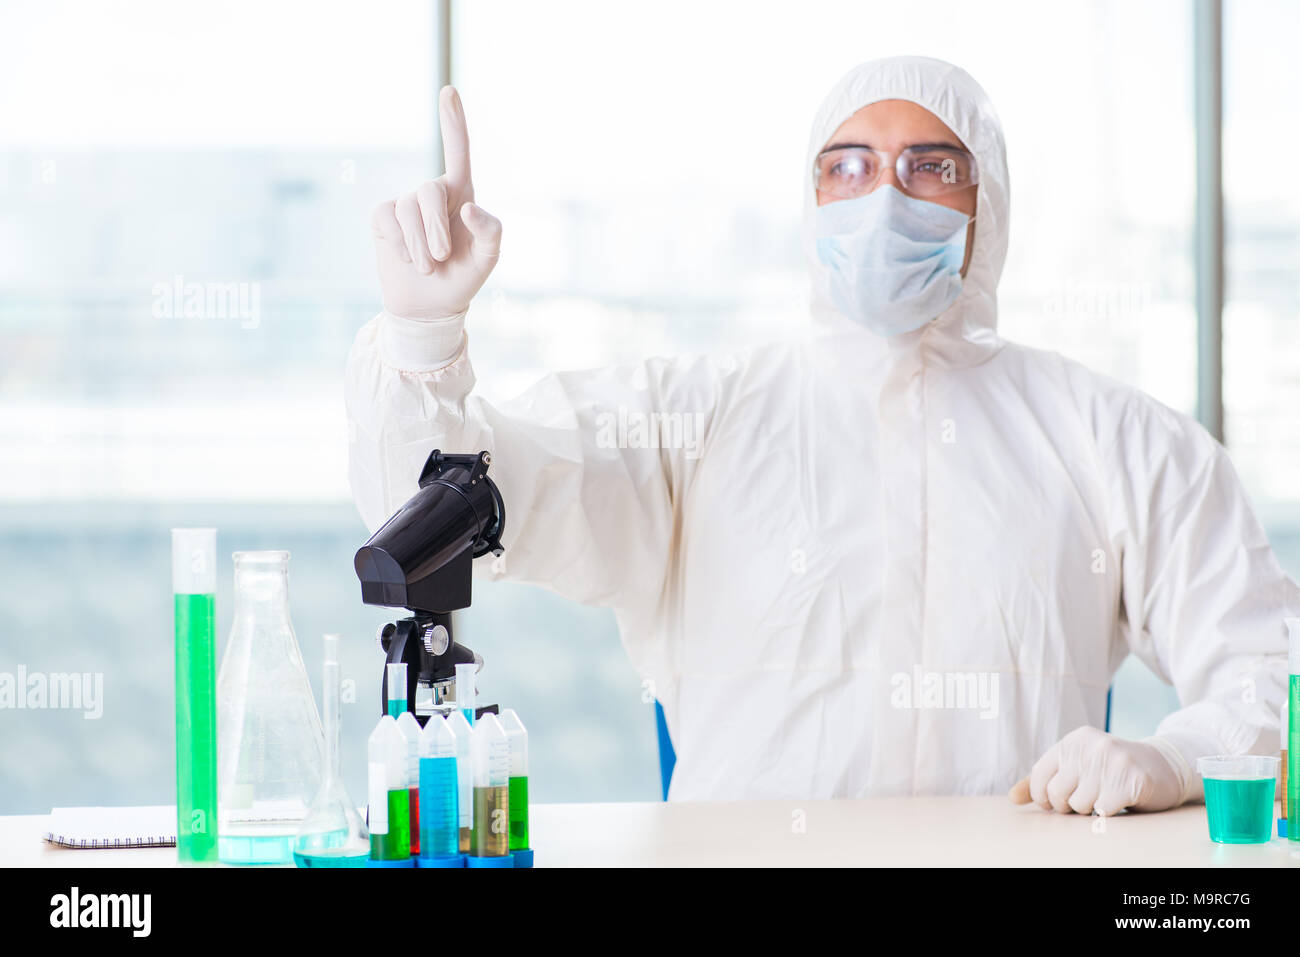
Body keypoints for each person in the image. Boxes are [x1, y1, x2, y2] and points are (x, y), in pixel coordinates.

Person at [345, 56, 1297, 813]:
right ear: (811, 204)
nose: (885, 198)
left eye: (931, 165)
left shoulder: (1115, 441)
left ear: (988, 202)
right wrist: (424, 338)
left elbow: (1271, 672)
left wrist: (1174, 758)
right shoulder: (695, 421)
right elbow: (448, 506)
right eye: (848, 166)